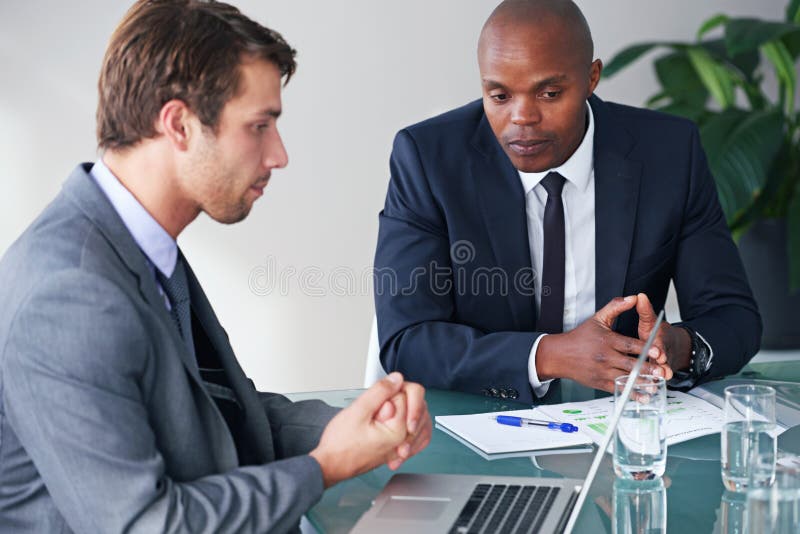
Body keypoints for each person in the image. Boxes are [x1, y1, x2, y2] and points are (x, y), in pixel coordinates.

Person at [0, 1, 431, 532]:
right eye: (259, 126)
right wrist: (326, 465)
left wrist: (353, 425)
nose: (279, 154)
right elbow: (146, 525)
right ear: (179, 124)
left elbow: (217, 412)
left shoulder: (136, 243)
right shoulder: (68, 296)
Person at [374, 0, 761, 404]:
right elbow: (407, 338)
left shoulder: (668, 154)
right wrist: (551, 356)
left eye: (550, 92)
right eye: (500, 95)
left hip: (622, 426)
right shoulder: (429, 159)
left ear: (592, 77)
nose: (522, 117)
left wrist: (676, 346)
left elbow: (734, 317)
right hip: (482, 418)